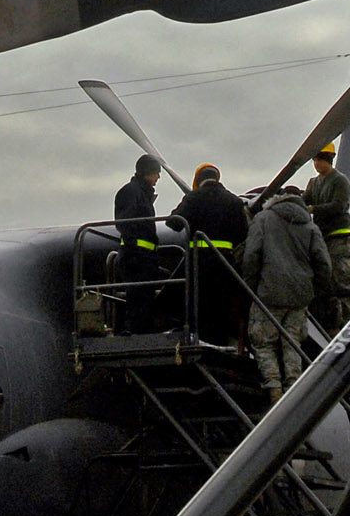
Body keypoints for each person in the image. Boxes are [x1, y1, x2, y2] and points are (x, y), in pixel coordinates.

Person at [240, 188, 324, 396]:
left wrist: (250, 287)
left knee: (263, 341)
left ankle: (273, 386)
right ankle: (293, 386)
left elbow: (251, 256)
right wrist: (315, 290)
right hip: (299, 295)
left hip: (270, 294)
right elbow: (323, 262)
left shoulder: (262, 219)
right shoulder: (310, 225)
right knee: (292, 341)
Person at [175, 164, 249, 348]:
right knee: (222, 303)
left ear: (199, 181)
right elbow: (243, 234)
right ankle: (222, 343)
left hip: (198, 261)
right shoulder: (234, 201)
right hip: (225, 261)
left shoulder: (193, 198)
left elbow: (174, 223)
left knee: (200, 304)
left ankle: (200, 340)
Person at [109, 155, 170, 334]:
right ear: (147, 172)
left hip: (145, 256)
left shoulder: (140, 193)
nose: (158, 177)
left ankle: (142, 330)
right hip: (137, 256)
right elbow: (125, 223)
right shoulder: (131, 192)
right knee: (138, 299)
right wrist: (136, 250)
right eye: (156, 173)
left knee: (145, 300)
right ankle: (135, 332)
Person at [304, 144, 350, 333]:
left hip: (339, 237)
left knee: (343, 280)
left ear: (329, 159)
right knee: (327, 283)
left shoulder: (340, 181)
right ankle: (334, 323)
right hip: (323, 239)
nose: (316, 163)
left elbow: (339, 205)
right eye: (315, 159)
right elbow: (305, 199)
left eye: (320, 159)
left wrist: (314, 209)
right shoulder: (314, 182)